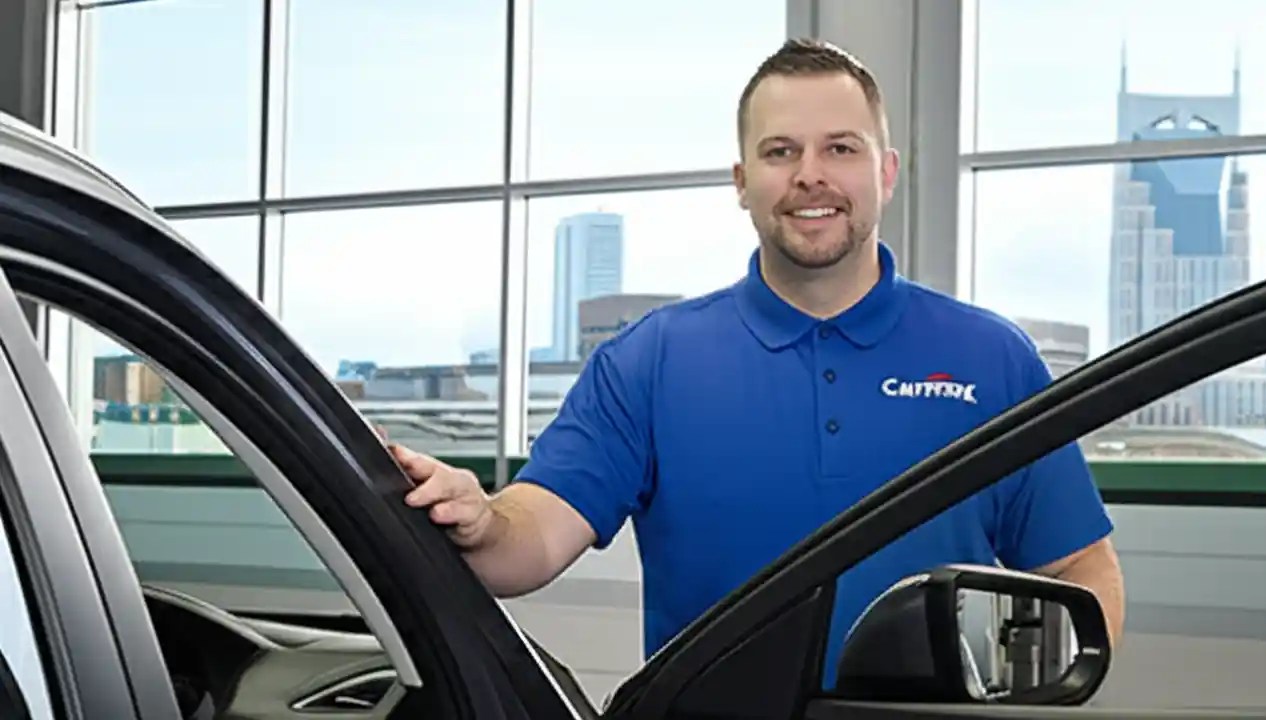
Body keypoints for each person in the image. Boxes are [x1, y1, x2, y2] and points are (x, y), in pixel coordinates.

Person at [389, 37, 1125, 685]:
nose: (811, 175)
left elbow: (1079, 566)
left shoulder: (991, 358)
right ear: (742, 179)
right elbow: (533, 538)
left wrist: (1047, 700)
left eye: (842, 148)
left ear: (887, 172)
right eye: (781, 152)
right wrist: (482, 522)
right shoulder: (650, 361)